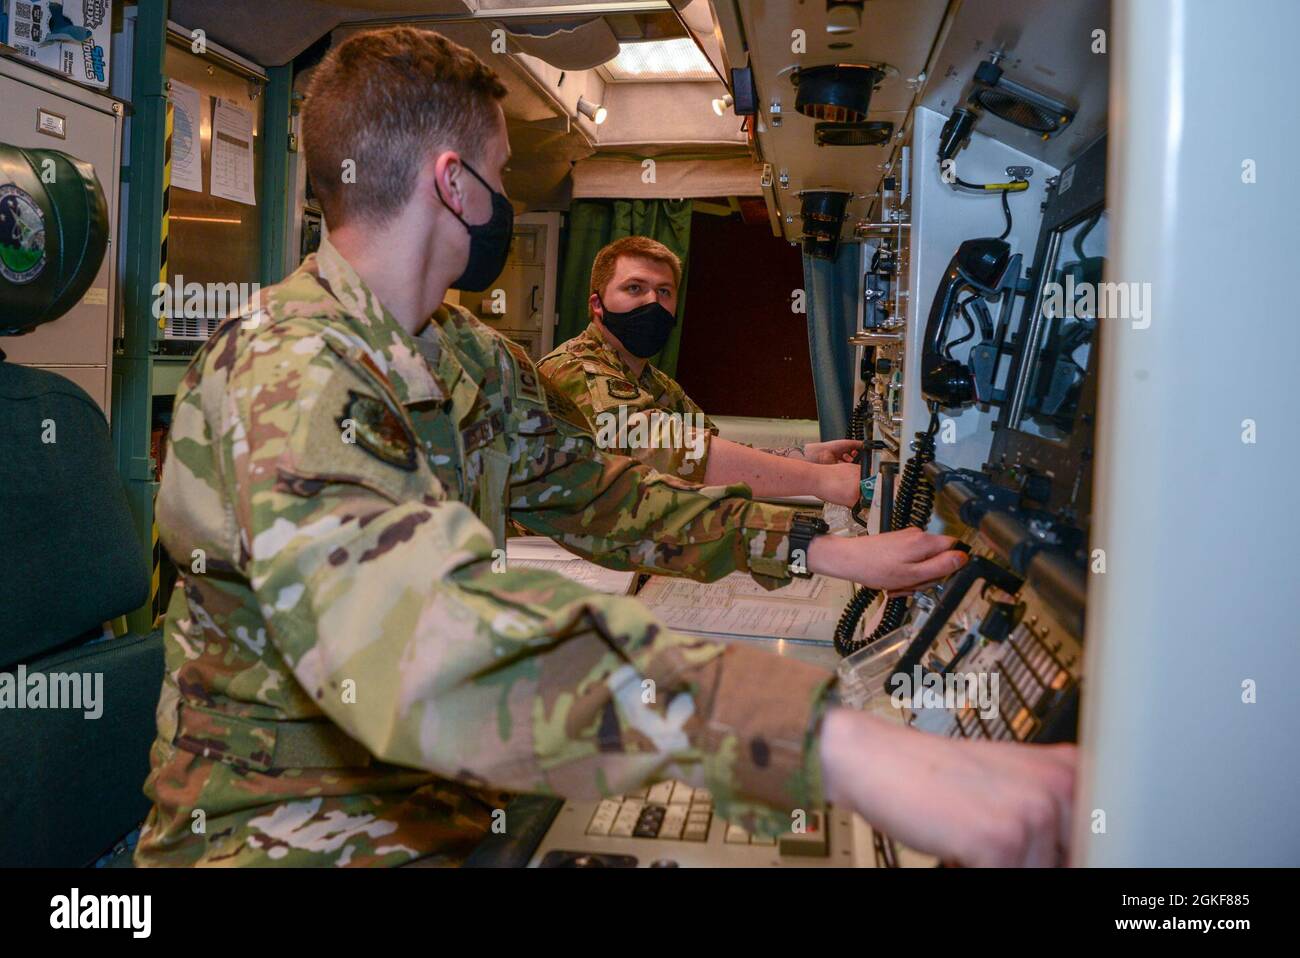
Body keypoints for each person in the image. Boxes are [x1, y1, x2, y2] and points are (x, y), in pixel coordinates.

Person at [134, 26, 1074, 868]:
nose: (504, 200)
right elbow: (423, 645)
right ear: (455, 184)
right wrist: (835, 744)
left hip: (447, 801)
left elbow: (596, 493)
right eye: (500, 177)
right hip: (283, 836)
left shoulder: (469, 355)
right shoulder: (288, 369)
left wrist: (813, 543)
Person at [539, 236, 864, 505]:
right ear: (597, 304)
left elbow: (712, 456)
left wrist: (806, 457)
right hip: (548, 546)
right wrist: (818, 480)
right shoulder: (576, 367)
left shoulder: (653, 382)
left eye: (664, 291)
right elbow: (661, 449)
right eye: (635, 288)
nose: (652, 303)